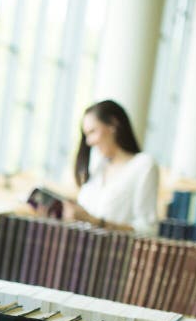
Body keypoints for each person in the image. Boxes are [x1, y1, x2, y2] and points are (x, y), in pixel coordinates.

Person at [63, 99, 159, 234]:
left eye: (92, 132)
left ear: (113, 124)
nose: (89, 142)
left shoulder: (143, 165)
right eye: (86, 135)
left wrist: (96, 222)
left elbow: (148, 230)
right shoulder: (97, 167)